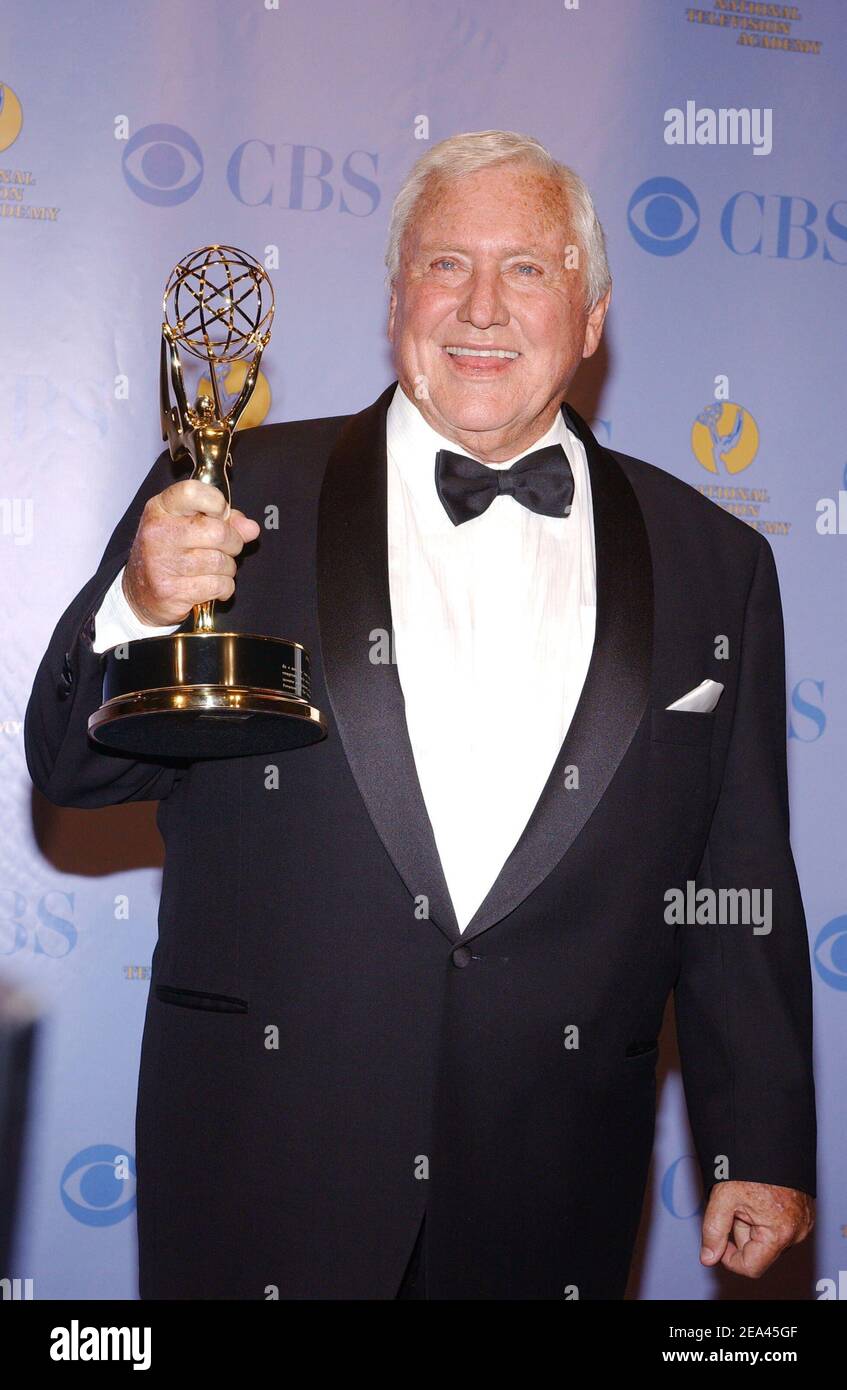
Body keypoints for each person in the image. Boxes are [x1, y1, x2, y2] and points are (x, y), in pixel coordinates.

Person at [25, 130, 815, 1300]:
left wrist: (758, 1142)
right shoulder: (233, 491)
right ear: (397, 298)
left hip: (553, 1193)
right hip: (261, 1172)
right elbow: (71, 771)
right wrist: (139, 606)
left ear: (593, 314)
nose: (482, 307)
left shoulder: (718, 561)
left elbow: (732, 874)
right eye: (446, 264)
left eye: (528, 269)